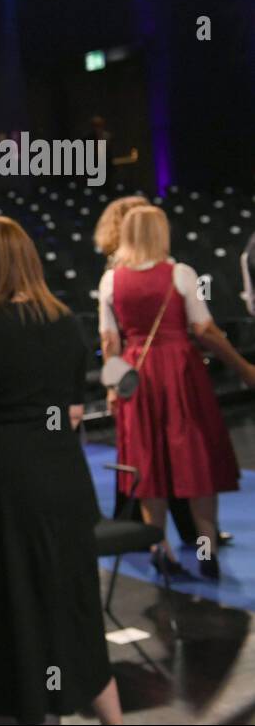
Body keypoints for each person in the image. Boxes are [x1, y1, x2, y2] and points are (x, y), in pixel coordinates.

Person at [0, 216, 122, 725]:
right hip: (66, 477)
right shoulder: (66, 320)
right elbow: (73, 412)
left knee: (21, 610)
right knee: (75, 607)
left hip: (8, 485)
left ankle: (40, 712)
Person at [98, 206, 255, 579]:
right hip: (180, 374)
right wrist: (244, 368)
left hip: (136, 375)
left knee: (147, 462)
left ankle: (161, 549)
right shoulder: (181, 274)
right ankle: (205, 548)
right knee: (196, 459)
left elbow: (109, 341)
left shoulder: (110, 280)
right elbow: (204, 330)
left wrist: (113, 388)